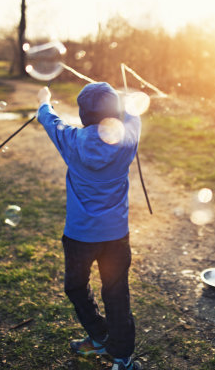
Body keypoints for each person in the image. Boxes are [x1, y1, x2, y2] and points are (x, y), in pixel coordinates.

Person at [37, 82, 142, 370]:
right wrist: (126, 98)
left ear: (83, 115)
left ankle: (112, 347)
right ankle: (105, 341)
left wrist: (44, 101)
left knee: (76, 287)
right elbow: (134, 114)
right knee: (115, 293)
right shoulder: (128, 138)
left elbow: (50, 119)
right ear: (115, 112)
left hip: (80, 235)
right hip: (115, 237)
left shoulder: (71, 139)